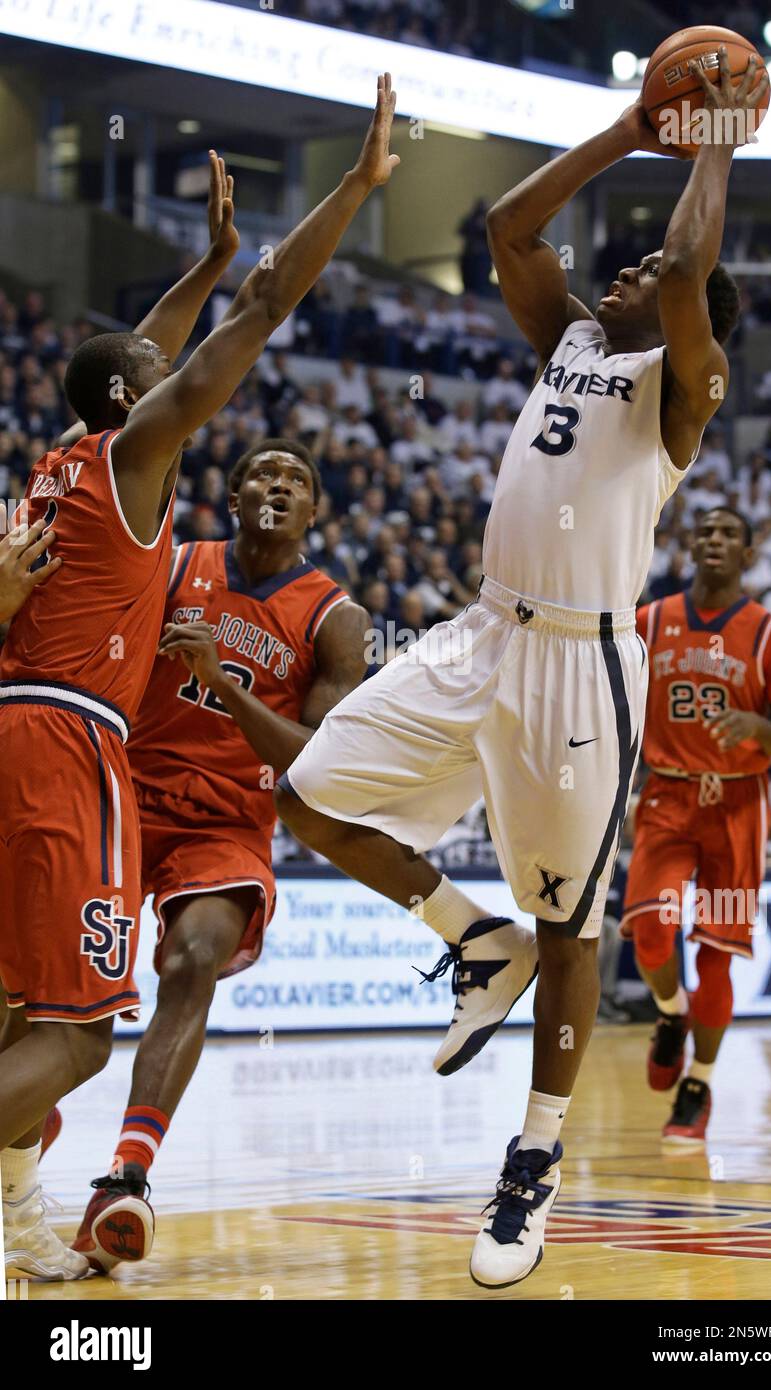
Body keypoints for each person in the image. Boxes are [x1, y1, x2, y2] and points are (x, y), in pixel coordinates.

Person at [272, 48, 763, 1288]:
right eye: (627, 266)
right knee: (310, 796)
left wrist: (713, 146)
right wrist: (630, 128)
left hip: (582, 665)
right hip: (482, 630)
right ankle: (468, 938)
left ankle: (534, 1156)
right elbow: (509, 225)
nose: (628, 271)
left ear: (697, 322)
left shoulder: (686, 385)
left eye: (646, 272)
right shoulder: (575, 338)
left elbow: (689, 271)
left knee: (572, 926)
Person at [0, 76, 398, 1279]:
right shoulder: (135, 462)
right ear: (141, 403)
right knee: (75, 1033)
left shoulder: (67, 459)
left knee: (33, 1004)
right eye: (155, 366)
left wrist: (208, 260)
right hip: (77, 746)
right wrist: (353, 187)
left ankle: (51, 1195)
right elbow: (264, 310)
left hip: (58, 737)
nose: (170, 360)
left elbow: (144, 351)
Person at [71, 439, 367, 1273]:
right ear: (233, 496)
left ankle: (127, 1177)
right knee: (53, 987)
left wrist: (224, 681)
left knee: (193, 958)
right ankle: (29, 1125)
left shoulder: (335, 618)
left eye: (296, 479)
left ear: (314, 511)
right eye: (261, 473)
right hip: (121, 794)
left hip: (226, 825)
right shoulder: (170, 564)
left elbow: (311, 760)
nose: (278, 485)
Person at [620, 508, 771, 1143]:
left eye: (729, 533)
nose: (715, 539)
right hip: (668, 795)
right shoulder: (650, 621)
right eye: (706, 531)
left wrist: (760, 728)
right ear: (691, 546)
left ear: (749, 555)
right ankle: (672, 1014)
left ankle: (697, 1084)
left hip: (737, 804)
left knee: (717, 956)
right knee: (651, 931)